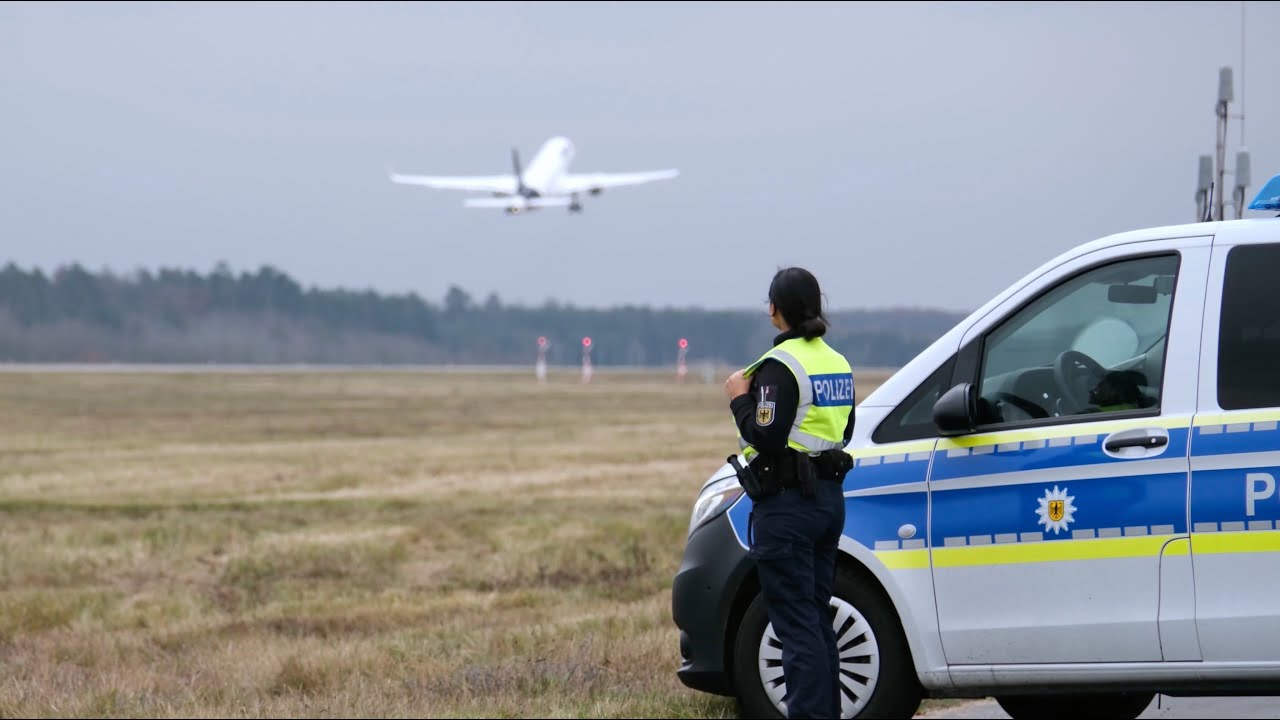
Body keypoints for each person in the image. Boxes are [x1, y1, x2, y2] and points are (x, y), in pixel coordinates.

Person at [723, 267, 856, 719]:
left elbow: (766, 434)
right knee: (816, 620)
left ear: (774, 310)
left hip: (788, 504)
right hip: (828, 501)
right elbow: (846, 428)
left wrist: (740, 398)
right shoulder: (836, 362)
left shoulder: (780, 366)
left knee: (796, 627)